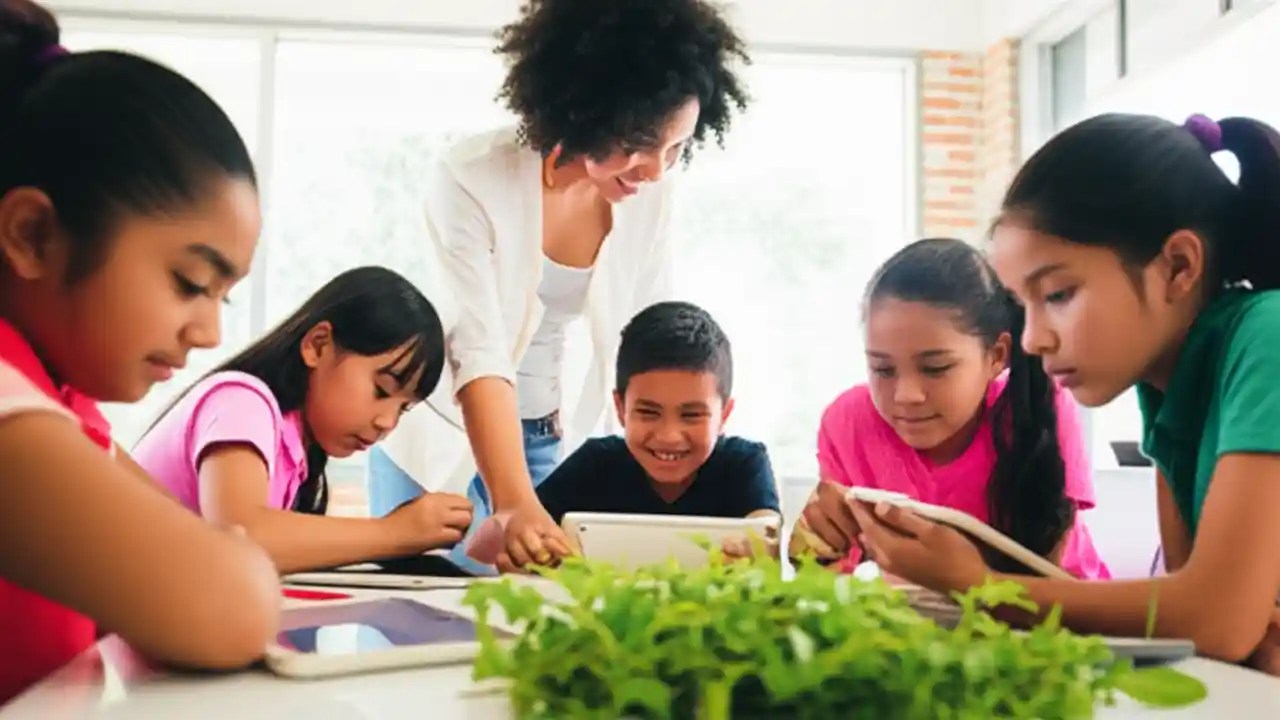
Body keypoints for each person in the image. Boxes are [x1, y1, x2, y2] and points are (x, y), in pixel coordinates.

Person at [851, 113, 1280, 672]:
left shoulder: (1266, 335)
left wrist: (977, 585)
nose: (1033, 338)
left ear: (1178, 266)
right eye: (1021, 304)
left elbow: (1215, 620)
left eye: (1057, 293)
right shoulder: (1168, 384)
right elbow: (1204, 617)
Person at [368, 0, 751, 574]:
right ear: (586, 111)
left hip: (546, 436)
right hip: (439, 434)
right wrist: (513, 501)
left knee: (534, 621)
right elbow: (477, 346)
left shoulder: (651, 195)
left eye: (677, 148)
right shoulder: (471, 175)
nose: (656, 170)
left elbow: (650, 340)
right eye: (641, 143)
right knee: (415, 622)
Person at [0, 0, 279, 702]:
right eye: (190, 282)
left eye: (223, 295)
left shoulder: (54, 401)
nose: (211, 332)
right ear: (33, 236)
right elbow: (229, 601)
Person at [789, 239, 1109, 580]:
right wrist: (813, 546)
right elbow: (829, 579)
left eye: (936, 368)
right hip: (916, 625)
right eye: (883, 370)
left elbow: (1045, 586)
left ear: (996, 356)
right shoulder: (848, 423)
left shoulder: (1037, 406)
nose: (906, 395)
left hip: (1064, 619)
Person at [133, 267, 473, 575]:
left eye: (404, 409)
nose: (387, 422)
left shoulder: (297, 456)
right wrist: (395, 533)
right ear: (318, 345)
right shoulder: (241, 401)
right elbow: (241, 536)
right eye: (381, 391)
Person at [518, 301, 780, 570]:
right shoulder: (595, 463)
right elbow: (522, 534)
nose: (669, 436)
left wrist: (759, 548)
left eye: (691, 415)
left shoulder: (744, 463)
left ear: (724, 414)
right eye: (648, 413)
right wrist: (527, 551)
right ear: (621, 409)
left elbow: (766, 529)